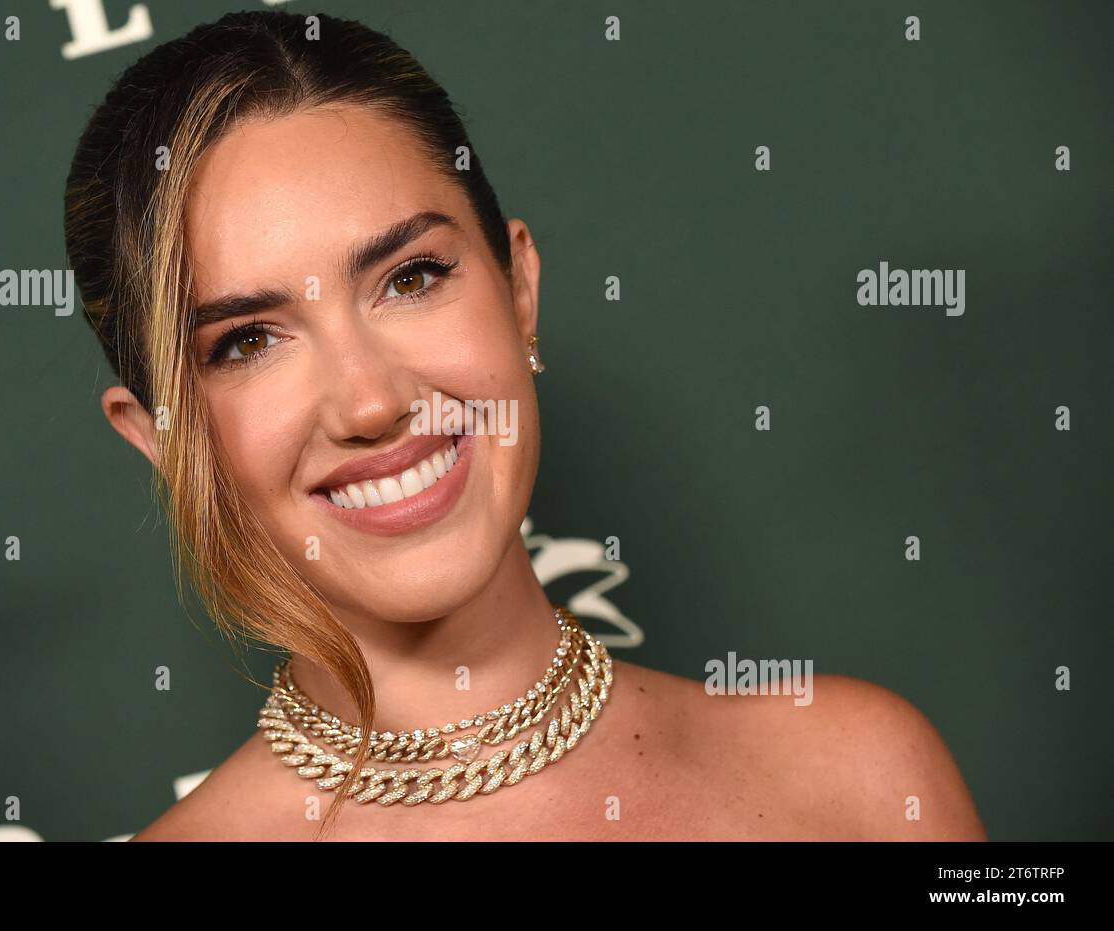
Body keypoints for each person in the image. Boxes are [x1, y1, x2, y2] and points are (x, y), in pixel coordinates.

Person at [63, 9, 986, 841]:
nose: (373, 402)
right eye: (249, 339)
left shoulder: (862, 774)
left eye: (411, 277)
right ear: (160, 440)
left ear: (520, 289)